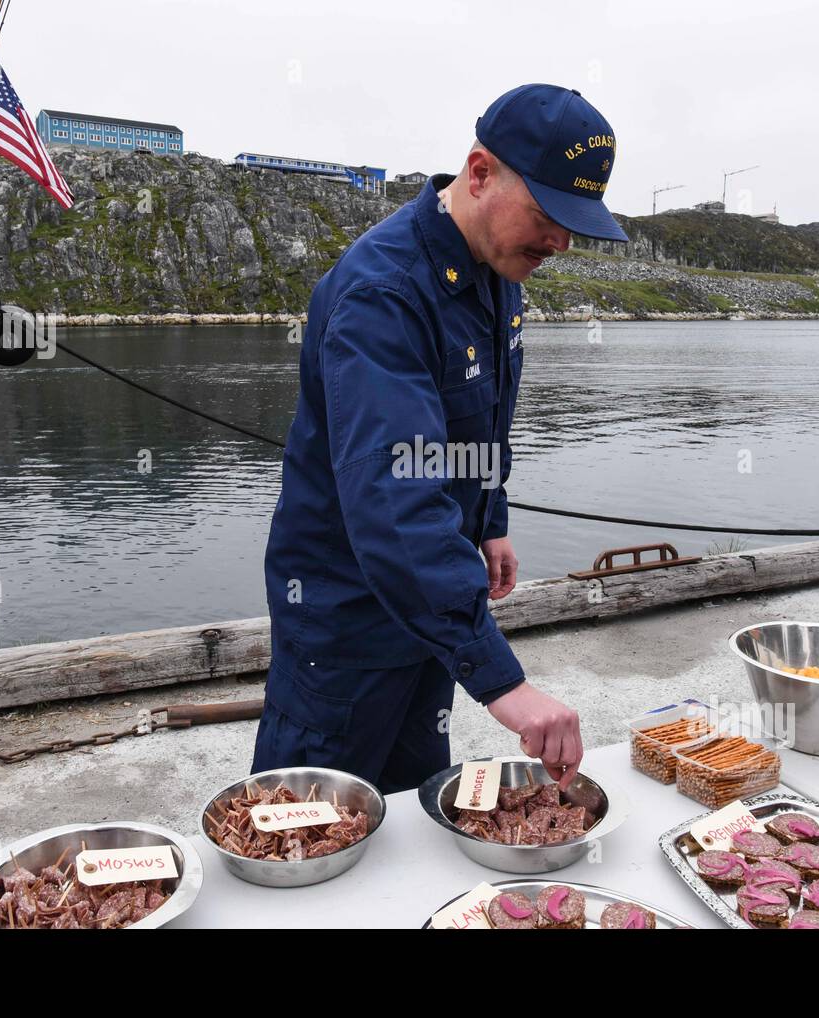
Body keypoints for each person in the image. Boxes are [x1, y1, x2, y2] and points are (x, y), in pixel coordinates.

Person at [253, 84, 629, 794]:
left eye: (574, 224)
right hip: (345, 623)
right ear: (480, 172)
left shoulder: (497, 270)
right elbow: (396, 503)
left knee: (413, 816)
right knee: (301, 831)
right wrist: (504, 685)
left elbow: (482, 417)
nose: (561, 242)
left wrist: (489, 522)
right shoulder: (383, 294)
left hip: (427, 617)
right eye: (548, 215)